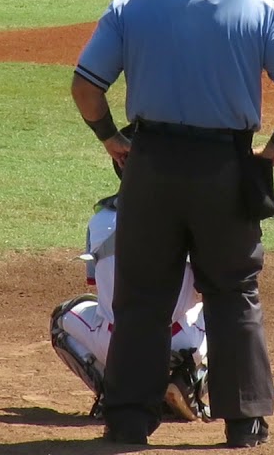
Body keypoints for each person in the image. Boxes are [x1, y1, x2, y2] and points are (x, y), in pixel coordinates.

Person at [70, 0, 274, 448]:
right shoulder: (257, 5)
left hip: (151, 164)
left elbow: (86, 86)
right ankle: (245, 421)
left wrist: (112, 139)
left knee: (141, 297)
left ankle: (130, 421)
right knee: (234, 291)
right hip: (225, 169)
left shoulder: (131, 4)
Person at [49, 178, 211, 422]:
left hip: (118, 345)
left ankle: (113, 391)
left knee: (61, 318)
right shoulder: (193, 216)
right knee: (236, 315)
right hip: (180, 343)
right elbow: (206, 283)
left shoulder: (100, 220)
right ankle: (187, 382)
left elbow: (96, 283)